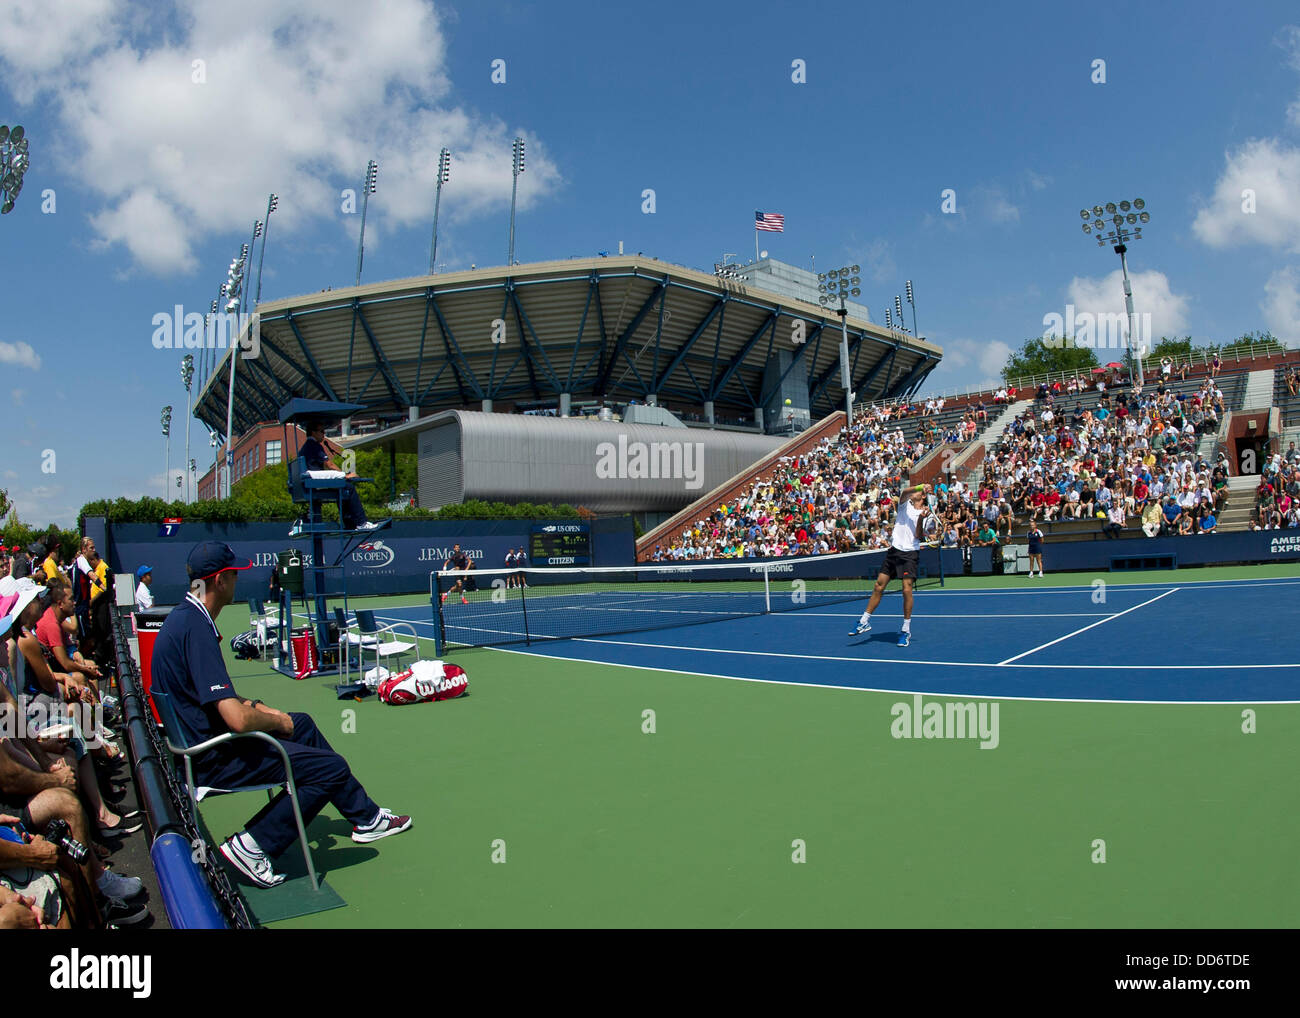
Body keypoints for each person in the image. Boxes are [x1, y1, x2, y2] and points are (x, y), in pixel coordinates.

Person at [148, 542, 411, 888]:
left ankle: (367, 817)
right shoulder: (196, 629)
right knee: (329, 768)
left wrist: (262, 708)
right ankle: (251, 845)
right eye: (233, 575)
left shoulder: (186, 617)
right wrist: (276, 721)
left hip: (201, 744)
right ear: (219, 582)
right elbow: (236, 721)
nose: (237, 581)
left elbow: (221, 697)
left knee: (301, 723)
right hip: (214, 757)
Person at [850, 484, 929, 648]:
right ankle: (864, 621)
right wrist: (921, 486)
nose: (914, 493)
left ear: (922, 497)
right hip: (894, 551)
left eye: (918, 492)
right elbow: (905, 491)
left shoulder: (924, 514)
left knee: (907, 590)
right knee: (878, 586)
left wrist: (921, 518)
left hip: (910, 554)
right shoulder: (903, 505)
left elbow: (919, 535)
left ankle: (906, 630)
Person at [299, 421, 378, 531]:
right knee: (348, 488)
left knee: (342, 489)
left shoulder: (305, 447)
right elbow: (329, 464)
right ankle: (361, 522)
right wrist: (345, 476)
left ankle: (349, 524)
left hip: (311, 483)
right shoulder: (314, 445)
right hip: (314, 483)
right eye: (322, 431)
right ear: (313, 432)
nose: (324, 434)